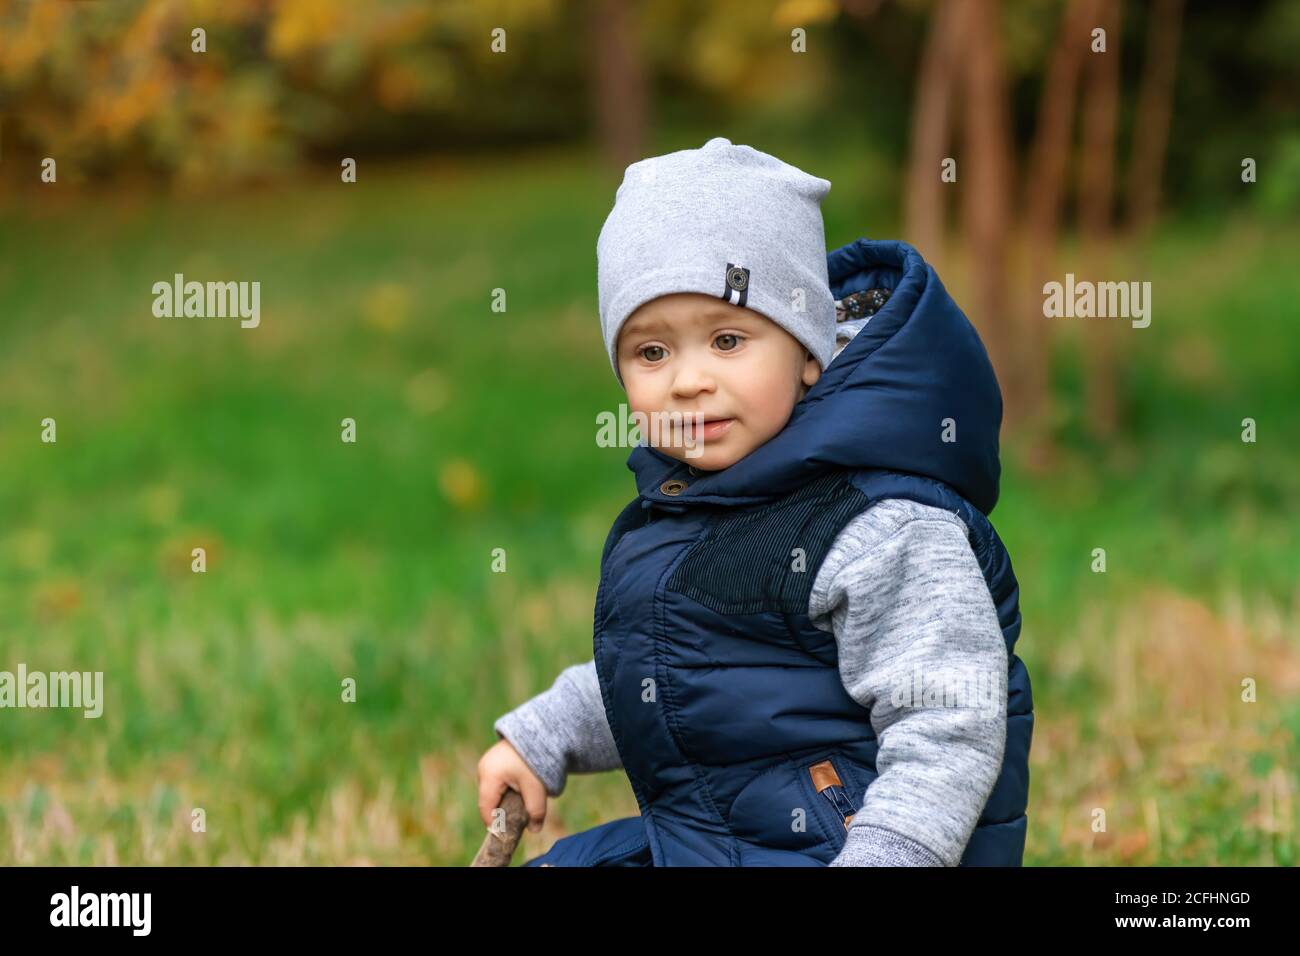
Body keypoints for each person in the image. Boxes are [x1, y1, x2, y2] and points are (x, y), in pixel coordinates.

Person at [477, 136, 1033, 866]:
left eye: (729, 339)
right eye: (652, 352)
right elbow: (676, 674)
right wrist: (546, 735)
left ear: (808, 351)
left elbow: (948, 721)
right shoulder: (699, 506)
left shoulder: (881, 525)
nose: (688, 380)